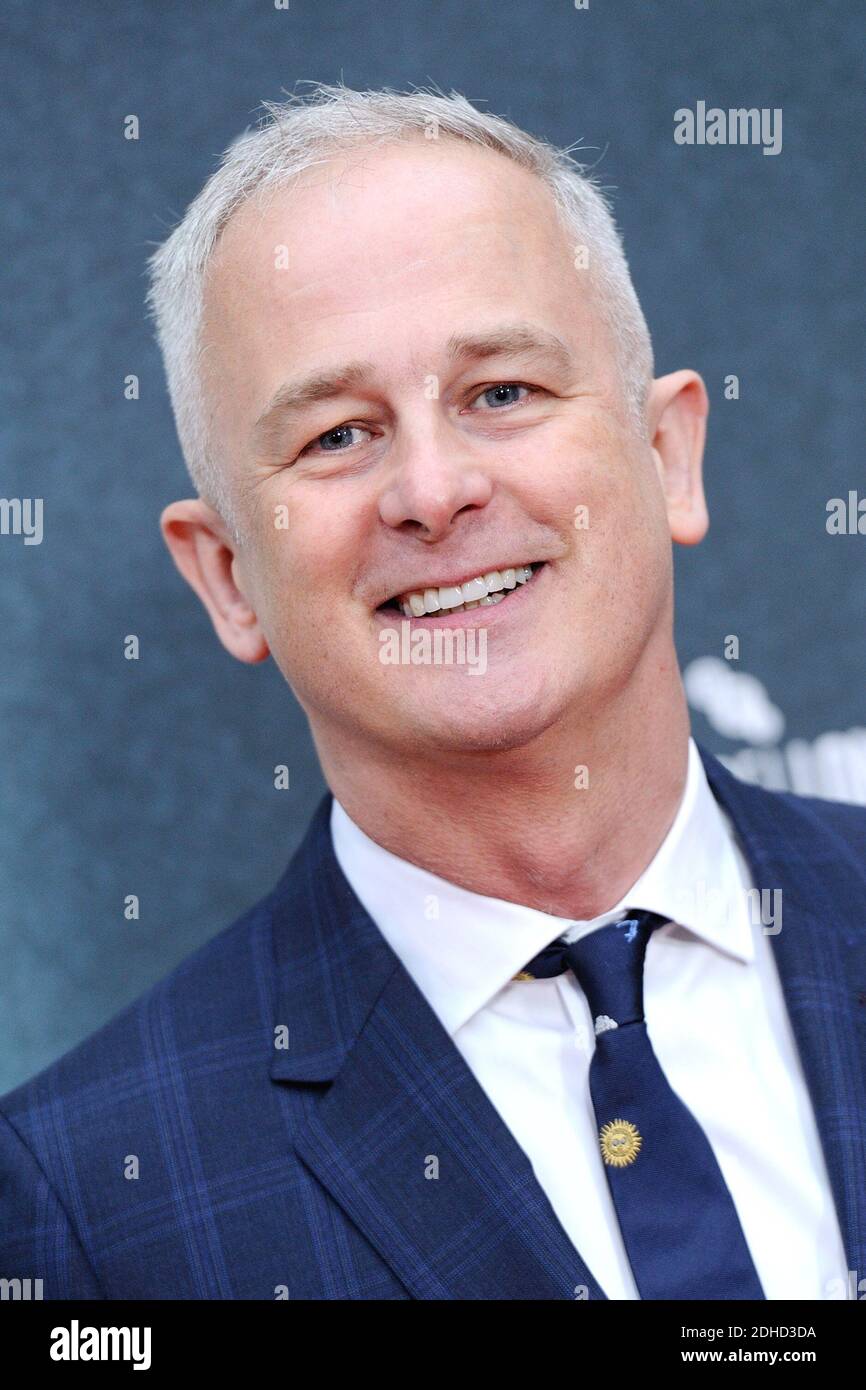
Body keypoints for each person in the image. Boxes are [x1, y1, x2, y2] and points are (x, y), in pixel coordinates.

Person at [1, 84, 863, 1301]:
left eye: (500, 391)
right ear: (229, 576)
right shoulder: (85, 1210)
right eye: (338, 436)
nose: (434, 487)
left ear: (667, 453)